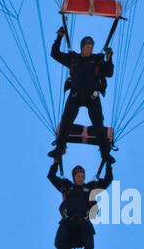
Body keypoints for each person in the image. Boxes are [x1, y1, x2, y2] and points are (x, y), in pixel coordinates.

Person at [49, 29, 114, 162]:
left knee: (98, 125)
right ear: (82, 48)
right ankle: (59, 149)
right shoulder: (73, 59)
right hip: (75, 96)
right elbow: (54, 54)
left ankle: (105, 153)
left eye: (91, 47)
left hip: (92, 97)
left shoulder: (97, 60)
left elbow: (108, 73)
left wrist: (109, 58)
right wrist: (59, 38)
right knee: (66, 122)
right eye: (87, 47)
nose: (89, 49)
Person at [48, 157, 114, 249]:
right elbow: (51, 176)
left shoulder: (91, 188)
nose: (81, 178)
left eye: (82, 176)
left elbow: (108, 180)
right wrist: (56, 163)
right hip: (68, 223)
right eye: (78, 176)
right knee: (58, 243)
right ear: (74, 177)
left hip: (84, 223)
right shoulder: (67, 186)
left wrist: (108, 165)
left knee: (90, 247)